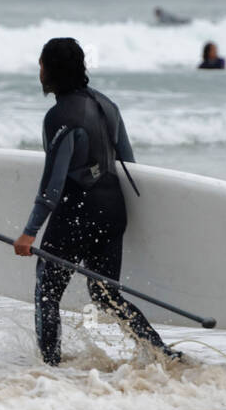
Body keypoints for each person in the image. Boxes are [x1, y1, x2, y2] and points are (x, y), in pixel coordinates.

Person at [13, 38, 180, 366]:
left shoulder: (59, 116)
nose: (40, 73)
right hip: (112, 211)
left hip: (76, 212)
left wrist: (29, 232)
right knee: (106, 296)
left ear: (51, 71)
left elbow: (52, 184)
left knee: (47, 291)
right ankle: (161, 352)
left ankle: (50, 368)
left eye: (41, 66)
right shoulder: (108, 105)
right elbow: (130, 165)